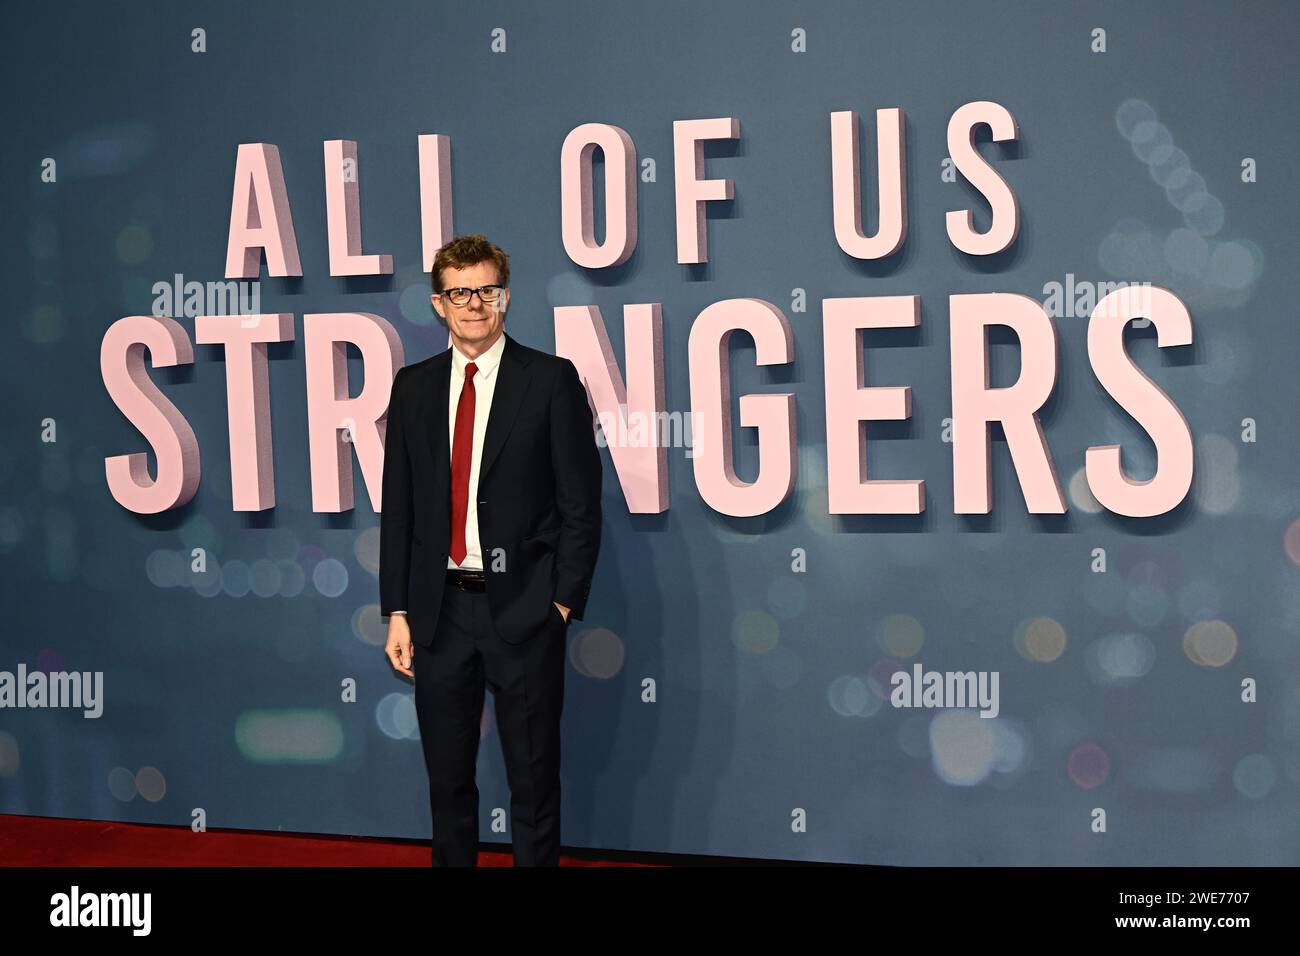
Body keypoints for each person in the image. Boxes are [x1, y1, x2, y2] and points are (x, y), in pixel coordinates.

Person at [378, 234, 603, 866]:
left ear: (504, 296)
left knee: (533, 785)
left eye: (485, 290)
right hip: (438, 615)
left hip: (525, 612)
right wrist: (396, 609)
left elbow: (581, 506)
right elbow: (400, 509)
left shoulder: (551, 381)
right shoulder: (412, 388)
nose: (473, 304)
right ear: (438, 304)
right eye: (459, 293)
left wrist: (560, 604)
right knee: (448, 785)